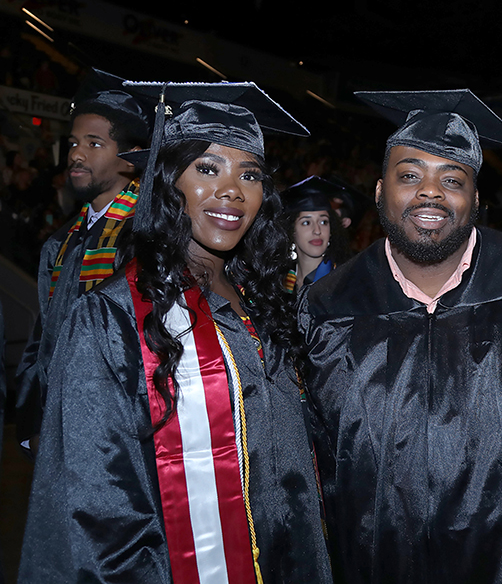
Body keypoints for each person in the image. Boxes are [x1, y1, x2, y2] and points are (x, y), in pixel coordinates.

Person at [301, 88, 502, 584]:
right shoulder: (328, 308)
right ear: (380, 191)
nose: (430, 192)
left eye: (452, 179)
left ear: (475, 199)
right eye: (410, 175)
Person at [18, 82, 333, 584]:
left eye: (249, 174)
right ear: (167, 182)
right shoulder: (113, 317)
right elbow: (94, 511)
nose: (232, 190)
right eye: (207, 169)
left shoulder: (264, 302)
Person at [15, 69, 149, 454]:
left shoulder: (146, 237)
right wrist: (34, 424)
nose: (75, 153)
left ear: (129, 160)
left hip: (121, 435)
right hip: (56, 425)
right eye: (74, 142)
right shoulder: (61, 242)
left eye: (94, 143)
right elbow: (42, 340)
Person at [282, 175, 341, 290]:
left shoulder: (341, 283)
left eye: (323, 222)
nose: (317, 231)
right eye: (306, 223)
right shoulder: (279, 281)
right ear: (291, 230)